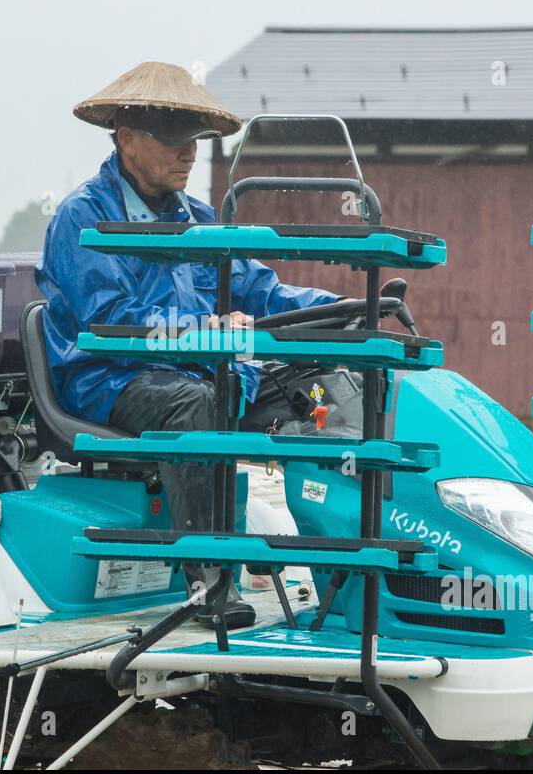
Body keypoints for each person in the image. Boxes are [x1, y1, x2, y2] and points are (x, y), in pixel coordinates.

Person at [36, 61, 341, 628]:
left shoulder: (198, 219)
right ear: (128, 139)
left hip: (200, 370)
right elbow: (111, 320)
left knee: (323, 388)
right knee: (197, 407)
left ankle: (345, 573)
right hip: (112, 381)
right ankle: (211, 585)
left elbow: (259, 288)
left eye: (195, 140)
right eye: (174, 139)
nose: (190, 153)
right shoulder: (82, 215)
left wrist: (336, 310)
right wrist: (207, 338)